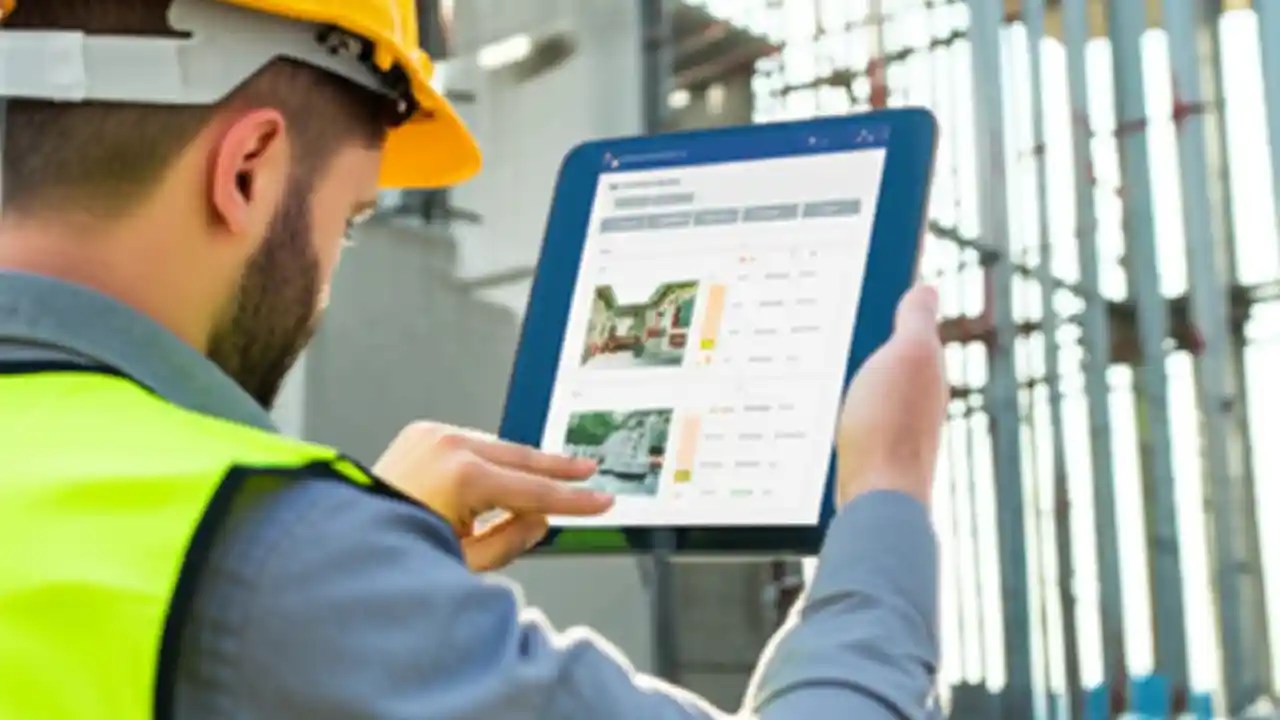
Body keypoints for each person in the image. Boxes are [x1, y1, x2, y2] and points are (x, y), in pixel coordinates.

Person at [0, 1, 948, 718]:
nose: (327, 277)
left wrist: (365, 560)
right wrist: (886, 503)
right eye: (352, 219)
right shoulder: (265, 557)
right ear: (247, 170)